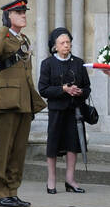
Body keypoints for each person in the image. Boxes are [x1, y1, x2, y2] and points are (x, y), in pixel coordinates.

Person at [0, 0, 46, 207]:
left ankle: (12, 190)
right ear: (9, 16)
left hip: (24, 100)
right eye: (19, 12)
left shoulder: (24, 40)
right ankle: (1, 192)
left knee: (19, 149)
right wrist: (4, 27)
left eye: (24, 12)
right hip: (7, 100)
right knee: (4, 149)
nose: (23, 15)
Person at [38, 26, 90, 195]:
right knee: (53, 145)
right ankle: (51, 180)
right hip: (56, 111)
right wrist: (63, 89)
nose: (67, 45)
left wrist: (80, 91)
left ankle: (70, 180)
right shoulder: (47, 64)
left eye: (68, 42)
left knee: (72, 145)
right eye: (63, 43)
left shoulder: (79, 63)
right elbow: (43, 89)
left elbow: (88, 87)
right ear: (55, 46)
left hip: (74, 111)